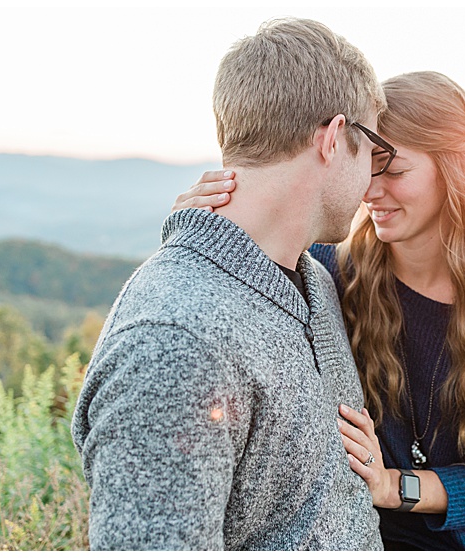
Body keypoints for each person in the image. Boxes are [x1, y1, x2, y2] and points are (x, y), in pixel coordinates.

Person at [175, 71, 465, 551]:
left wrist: (392, 484)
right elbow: (231, 285)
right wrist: (194, 228)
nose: (371, 192)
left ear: (457, 172)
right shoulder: (330, 271)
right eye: (366, 168)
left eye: (395, 172)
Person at [71, 18, 389, 550]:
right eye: (374, 152)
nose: (372, 179)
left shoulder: (311, 279)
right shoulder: (172, 347)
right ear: (335, 138)